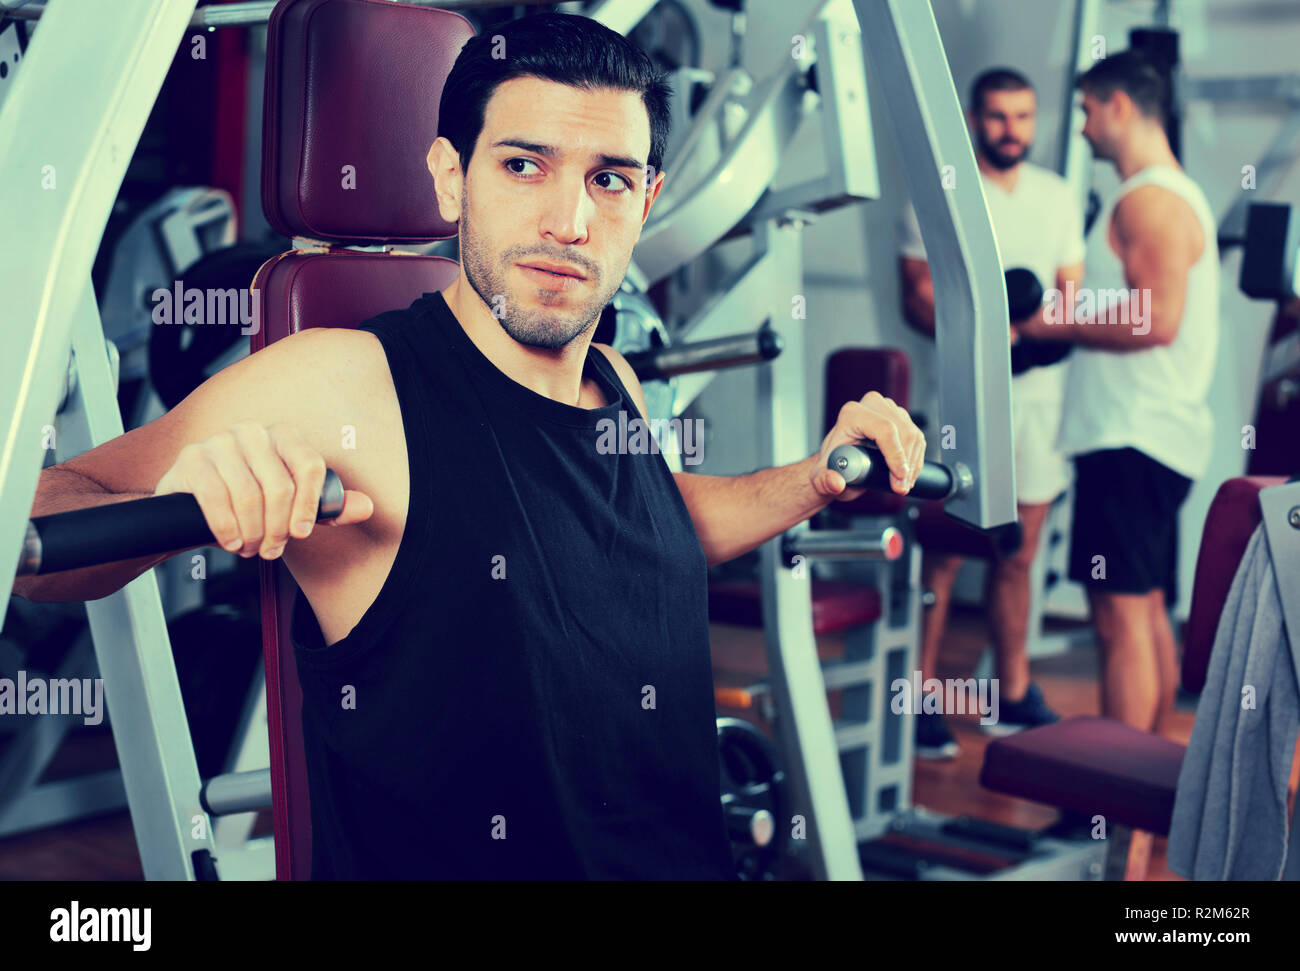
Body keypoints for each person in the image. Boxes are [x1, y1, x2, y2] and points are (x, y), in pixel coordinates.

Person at [12, 13, 925, 879]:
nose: (570, 221)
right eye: (526, 165)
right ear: (450, 178)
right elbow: (37, 520)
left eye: (609, 178)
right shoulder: (345, 385)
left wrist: (810, 479)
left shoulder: (615, 378)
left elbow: (648, 528)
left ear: (645, 199)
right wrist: (182, 496)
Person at [1013, 50, 1219, 736]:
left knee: (1120, 615)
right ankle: (1142, 795)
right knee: (1146, 606)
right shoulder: (1166, 194)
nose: (1081, 127)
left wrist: (1048, 323)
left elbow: (1156, 317)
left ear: (1119, 106)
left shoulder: (1151, 200)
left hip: (1130, 436)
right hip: (1147, 435)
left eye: (1086, 110)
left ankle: (1119, 812)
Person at [898, 68, 1083, 759]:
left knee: (1019, 554)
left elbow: (1069, 296)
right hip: (959, 396)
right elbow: (915, 296)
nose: (1013, 130)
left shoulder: (1059, 196)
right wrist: (981, 329)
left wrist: (1029, 330)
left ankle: (1012, 694)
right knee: (943, 555)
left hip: (1036, 399)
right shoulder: (943, 194)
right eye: (1000, 116)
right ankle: (918, 698)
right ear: (975, 118)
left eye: (1024, 115)